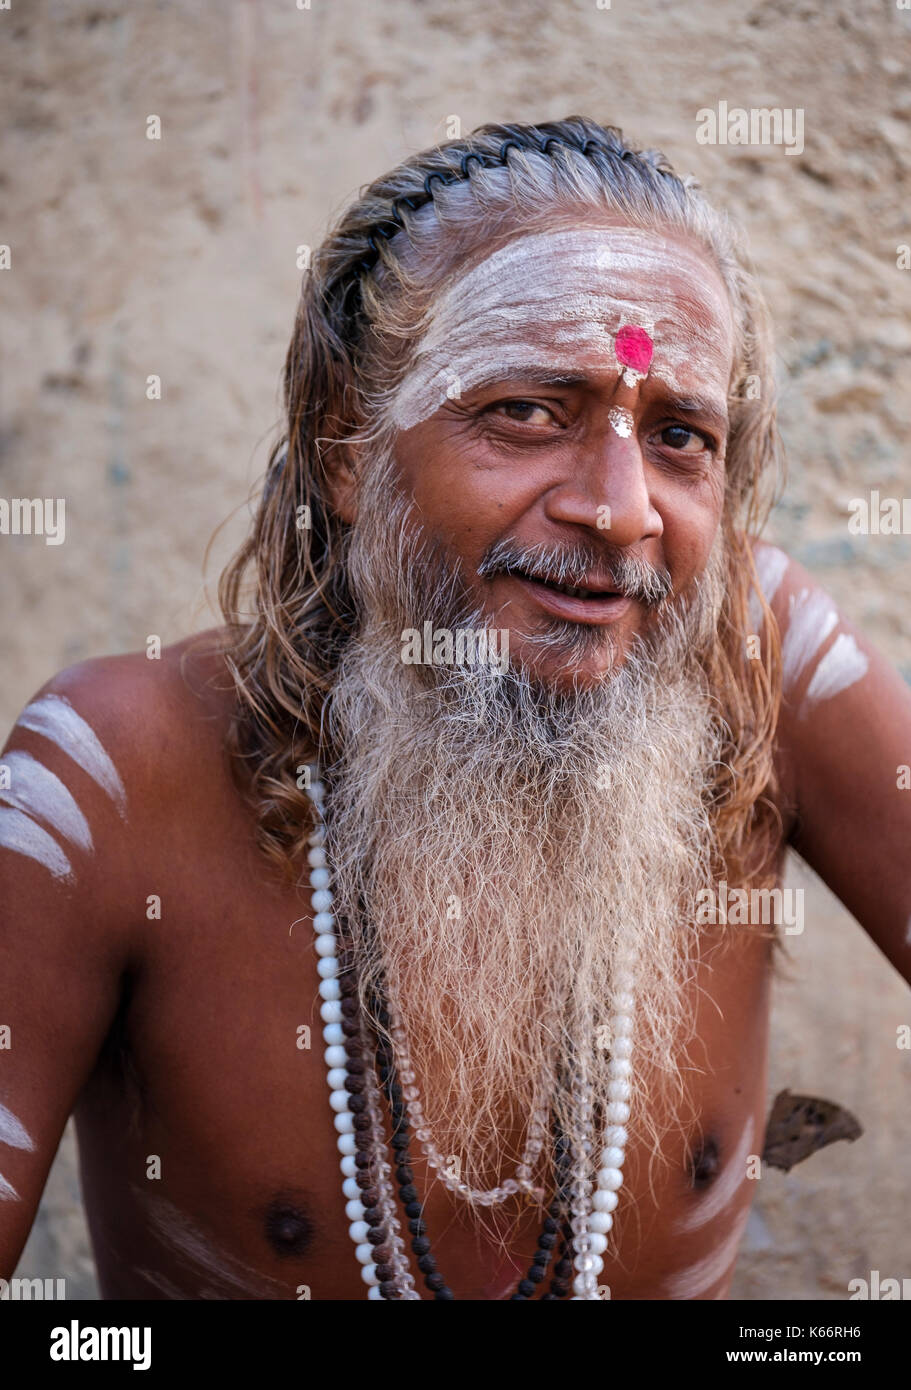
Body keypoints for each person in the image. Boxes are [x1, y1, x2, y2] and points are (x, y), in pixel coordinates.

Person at [2, 116, 909, 1301]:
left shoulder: (758, 666)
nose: (621, 510)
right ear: (346, 445)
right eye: (529, 412)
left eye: (679, 436)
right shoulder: (111, 774)